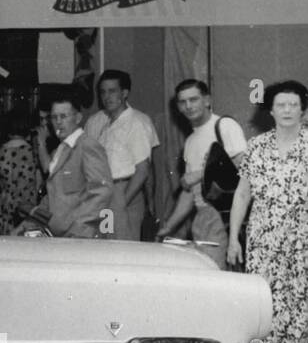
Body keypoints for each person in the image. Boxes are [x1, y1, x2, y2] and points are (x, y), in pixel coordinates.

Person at [227, 80, 308, 343]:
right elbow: (242, 195)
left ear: (303, 111)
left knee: (305, 321)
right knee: (262, 322)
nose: (287, 110)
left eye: (293, 105)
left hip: (303, 248)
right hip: (263, 247)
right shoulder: (256, 147)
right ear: (270, 110)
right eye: (281, 105)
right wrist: (234, 238)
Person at [155, 78, 247, 268]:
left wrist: (198, 174)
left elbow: (243, 162)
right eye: (182, 102)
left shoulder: (224, 126)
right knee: (208, 272)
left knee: (218, 275)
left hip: (224, 215)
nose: (188, 106)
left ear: (207, 100)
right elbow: (189, 192)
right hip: (203, 216)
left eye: (194, 99)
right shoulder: (190, 142)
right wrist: (169, 226)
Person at [14, 88, 113, 238]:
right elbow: (54, 196)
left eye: (63, 116)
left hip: (81, 238)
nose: (58, 122)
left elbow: (102, 192)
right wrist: (26, 224)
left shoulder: (87, 146)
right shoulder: (60, 151)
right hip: (59, 236)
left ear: (78, 118)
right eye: (54, 117)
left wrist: (78, 227)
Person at [83, 69, 159, 241]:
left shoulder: (136, 122)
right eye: (103, 92)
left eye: (112, 91)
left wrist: (122, 202)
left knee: (123, 250)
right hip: (105, 196)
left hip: (123, 193)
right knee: (105, 246)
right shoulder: (104, 123)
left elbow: (143, 170)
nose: (106, 97)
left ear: (124, 93)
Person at [0, 109, 41, 236]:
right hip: (27, 207)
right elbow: (39, 180)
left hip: (6, 206)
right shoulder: (32, 152)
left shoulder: (1, 152)